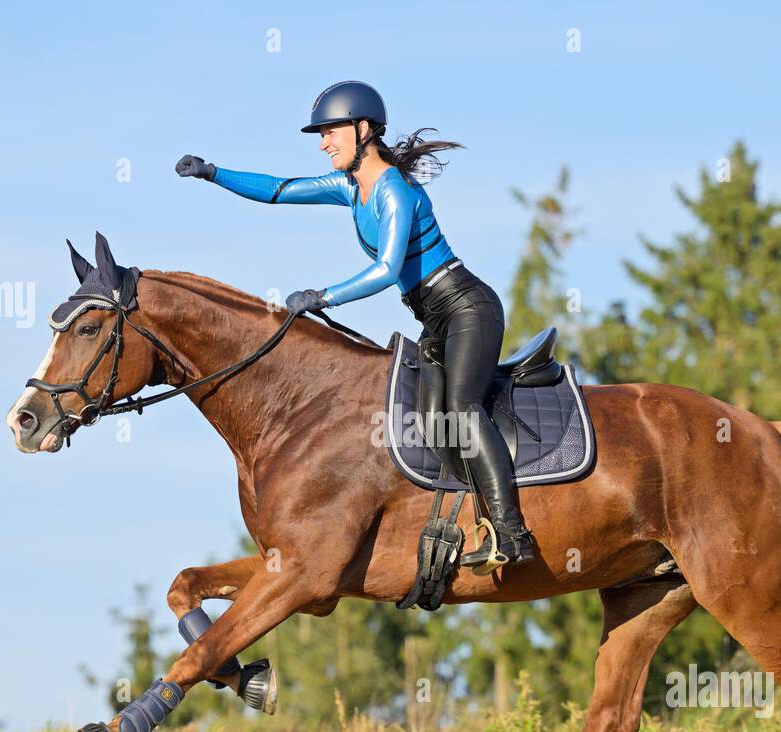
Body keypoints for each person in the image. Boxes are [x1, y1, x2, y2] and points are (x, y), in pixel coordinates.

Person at [175, 80, 534, 567]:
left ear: (363, 130)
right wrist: (215, 173)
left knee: (463, 409)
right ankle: (459, 522)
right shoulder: (350, 187)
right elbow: (281, 190)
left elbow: (387, 270)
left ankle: (514, 538)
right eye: (320, 134)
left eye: (330, 132)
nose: (323, 142)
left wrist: (325, 295)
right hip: (435, 321)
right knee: (428, 420)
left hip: (468, 308)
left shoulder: (394, 191)